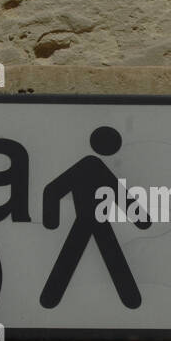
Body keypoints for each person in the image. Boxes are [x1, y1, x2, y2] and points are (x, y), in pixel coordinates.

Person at [41, 126, 150, 309]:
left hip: (89, 222)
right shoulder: (93, 166)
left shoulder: (89, 166)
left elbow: (52, 190)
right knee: (108, 255)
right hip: (93, 221)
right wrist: (141, 219)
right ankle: (131, 299)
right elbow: (53, 190)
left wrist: (51, 220)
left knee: (73, 255)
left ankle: (50, 298)